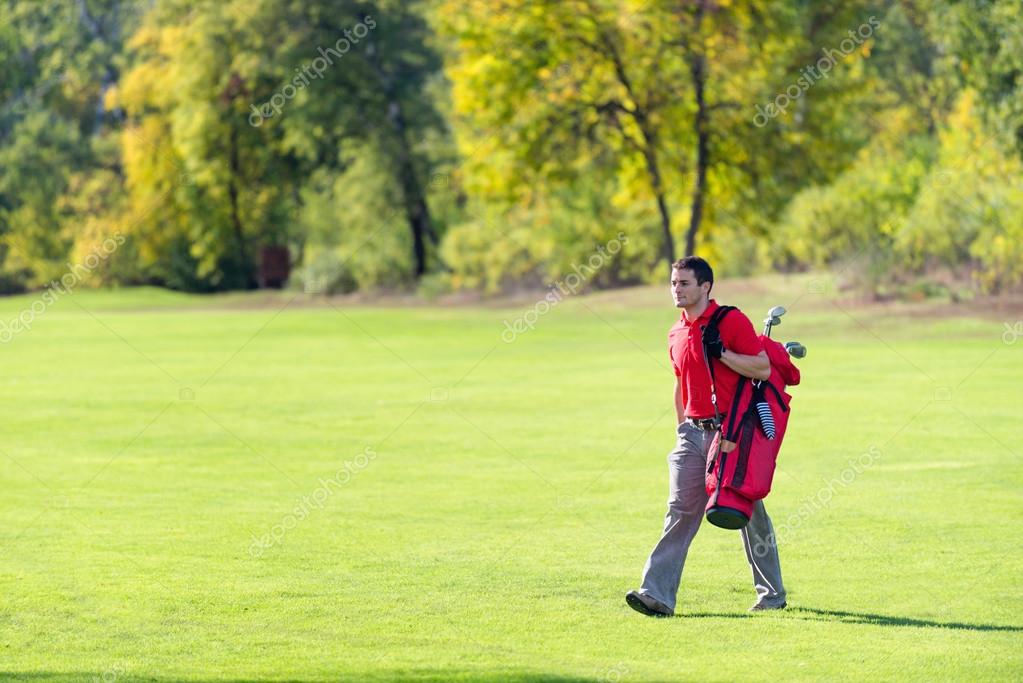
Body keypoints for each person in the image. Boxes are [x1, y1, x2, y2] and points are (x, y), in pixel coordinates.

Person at [625, 256, 787, 617]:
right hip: (692, 435)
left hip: (731, 434)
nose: (676, 290)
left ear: (705, 287)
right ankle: (656, 596)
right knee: (680, 511)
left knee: (748, 512)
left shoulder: (731, 320)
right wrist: (682, 428)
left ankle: (772, 594)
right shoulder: (675, 333)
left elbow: (761, 366)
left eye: (683, 283)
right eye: (673, 283)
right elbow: (680, 384)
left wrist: (723, 353)